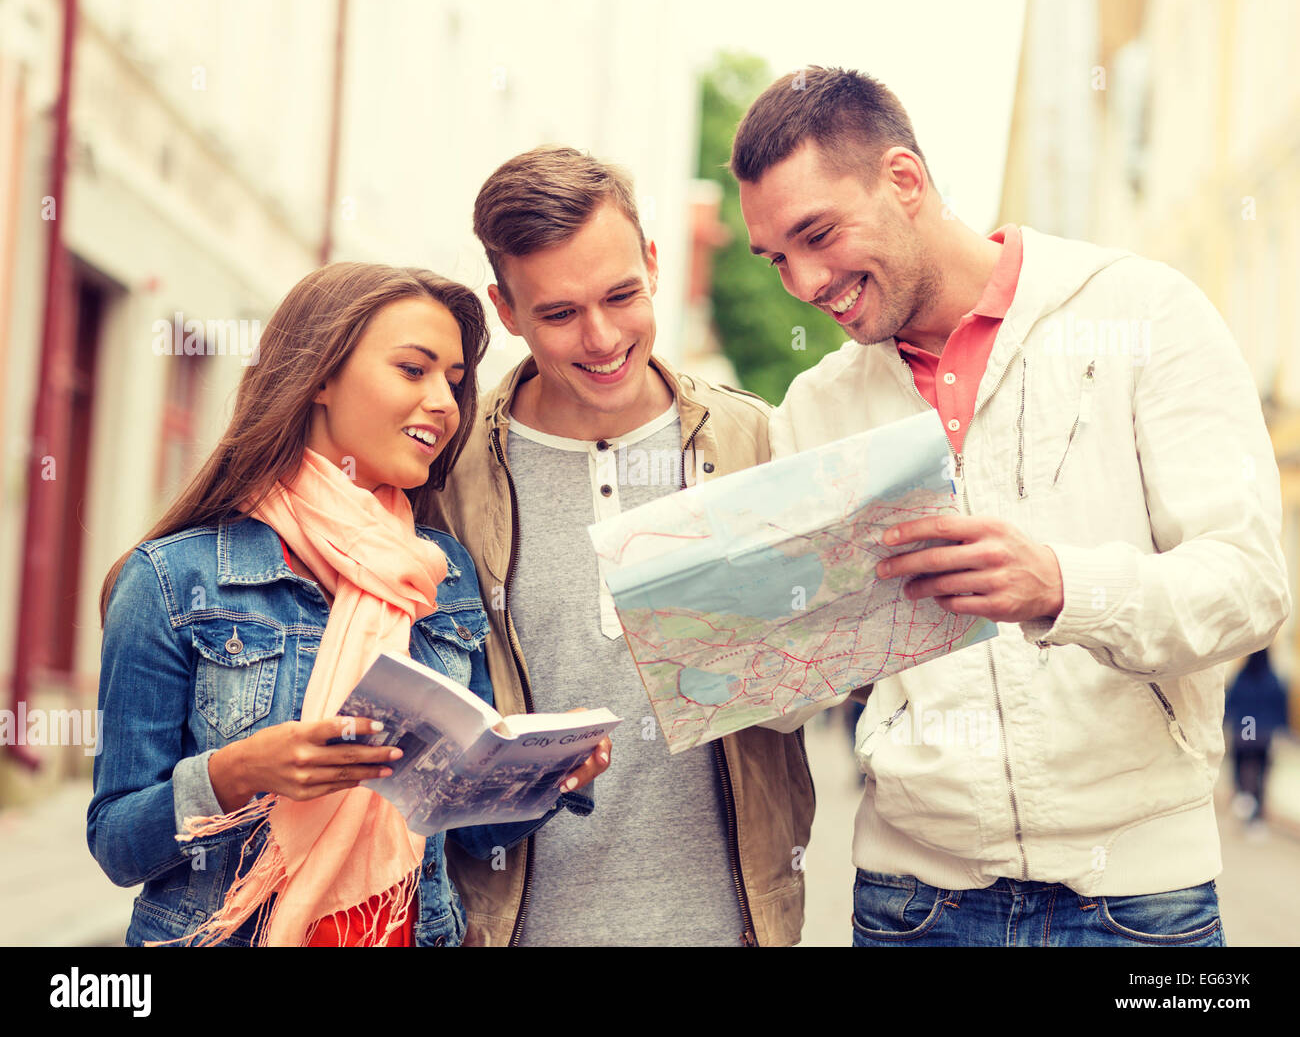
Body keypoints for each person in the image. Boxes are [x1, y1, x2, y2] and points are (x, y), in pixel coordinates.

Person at [730, 67, 1290, 947]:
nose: (802, 282)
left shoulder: (1144, 311)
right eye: (776, 257)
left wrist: (1063, 585)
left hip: (1144, 903)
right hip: (914, 904)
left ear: (904, 181)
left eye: (818, 233)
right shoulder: (818, 405)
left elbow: (1251, 580)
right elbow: (798, 686)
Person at [88, 262, 608, 947]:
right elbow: (118, 843)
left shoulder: (441, 572)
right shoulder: (172, 580)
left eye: (453, 381)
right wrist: (239, 772)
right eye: (414, 369)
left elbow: (472, 832)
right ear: (322, 377)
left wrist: (547, 774)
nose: (446, 403)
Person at [420, 145, 815, 946]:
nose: (601, 338)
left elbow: (811, 679)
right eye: (559, 314)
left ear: (655, 264)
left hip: (728, 928)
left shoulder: (756, 441)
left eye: (621, 296)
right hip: (507, 930)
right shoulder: (447, 475)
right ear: (505, 310)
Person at [1225, 648, 1290, 824]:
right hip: (1262, 737)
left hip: (1244, 736)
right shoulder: (1273, 679)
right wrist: (1282, 731)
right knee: (1261, 775)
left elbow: (1230, 704)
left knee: (1241, 772)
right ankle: (1256, 816)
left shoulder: (1241, 678)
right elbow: (1281, 709)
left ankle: (1243, 804)